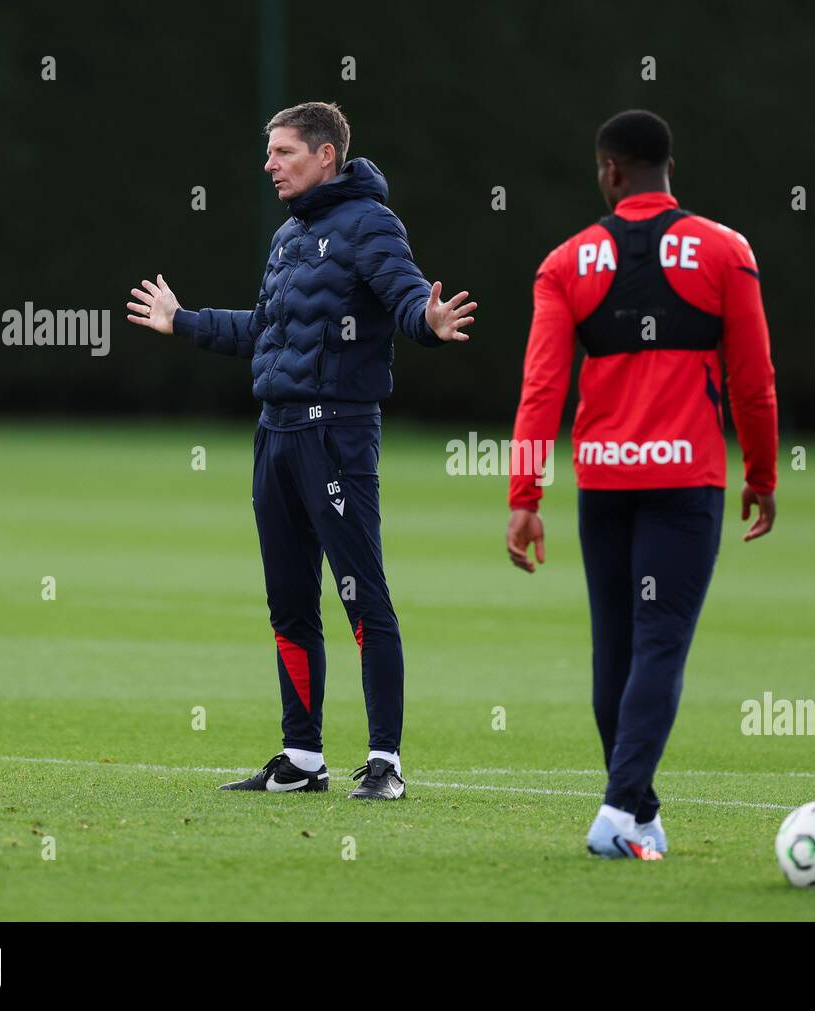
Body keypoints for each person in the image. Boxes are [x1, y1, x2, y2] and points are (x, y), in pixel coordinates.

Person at [126, 101, 476, 800]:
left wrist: (430, 324)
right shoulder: (290, 235)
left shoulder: (370, 223)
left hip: (337, 434)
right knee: (288, 602)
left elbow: (408, 298)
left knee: (361, 596)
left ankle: (385, 762)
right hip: (276, 434)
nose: (269, 164)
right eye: (270, 152)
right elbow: (265, 329)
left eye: (283, 152)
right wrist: (183, 320)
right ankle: (301, 757)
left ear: (326, 156)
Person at [507, 109, 779, 858]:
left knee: (615, 648)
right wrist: (761, 473)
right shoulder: (726, 250)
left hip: (607, 485)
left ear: (609, 171)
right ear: (668, 165)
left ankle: (641, 814)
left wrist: (524, 497)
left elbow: (541, 391)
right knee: (660, 645)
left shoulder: (566, 262)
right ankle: (620, 811)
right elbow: (754, 382)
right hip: (687, 482)